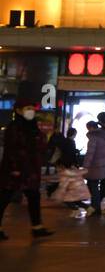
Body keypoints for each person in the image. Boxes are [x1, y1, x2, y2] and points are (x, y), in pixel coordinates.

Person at [0, 103, 55, 240]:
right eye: (27, 108)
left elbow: (40, 147)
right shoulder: (14, 128)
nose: (31, 111)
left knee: (34, 197)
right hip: (17, 170)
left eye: (32, 108)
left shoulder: (33, 127)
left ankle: (37, 227)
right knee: (4, 199)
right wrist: (14, 168)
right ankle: (36, 228)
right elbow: (11, 149)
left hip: (30, 170)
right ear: (18, 111)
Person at [83, 120, 105, 217]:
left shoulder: (94, 137)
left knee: (93, 186)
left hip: (95, 166)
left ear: (90, 127)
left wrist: (85, 167)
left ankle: (95, 207)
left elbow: (90, 154)